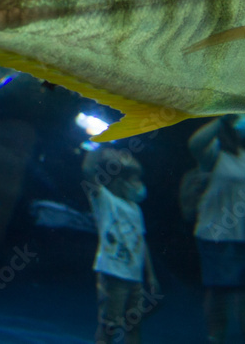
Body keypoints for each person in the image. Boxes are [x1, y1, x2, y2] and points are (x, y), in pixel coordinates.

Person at [189, 115, 245, 344]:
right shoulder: (214, 152)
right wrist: (223, 118)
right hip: (219, 236)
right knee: (220, 295)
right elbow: (194, 143)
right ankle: (216, 338)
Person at [82, 147, 159, 344]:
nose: (139, 186)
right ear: (120, 182)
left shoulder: (136, 210)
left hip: (134, 276)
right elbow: (88, 171)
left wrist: (150, 275)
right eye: (135, 180)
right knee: (109, 325)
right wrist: (97, 143)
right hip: (113, 273)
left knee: (134, 324)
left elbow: (141, 243)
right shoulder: (106, 201)